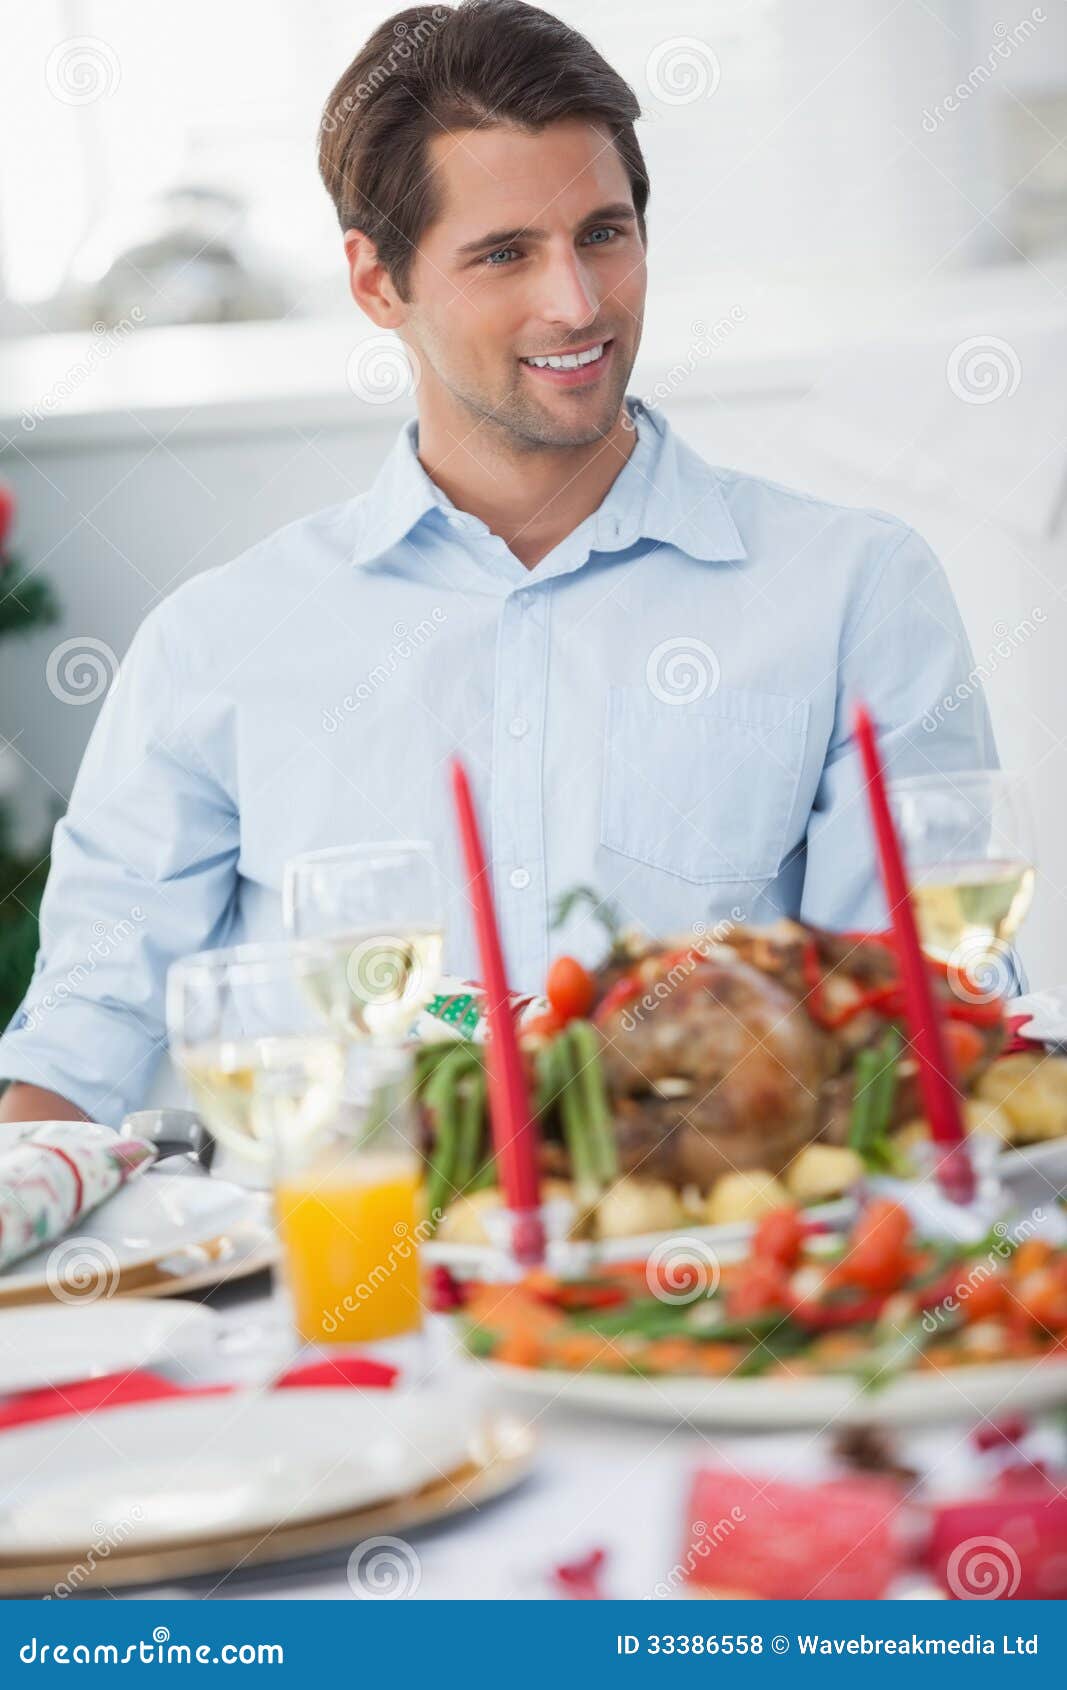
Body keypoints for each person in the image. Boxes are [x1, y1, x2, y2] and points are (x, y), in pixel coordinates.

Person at [0, 0, 996, 1129]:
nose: (576, 303)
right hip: (339, 1231)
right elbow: (81, 1045)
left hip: (719, 1216)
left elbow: (922, 1012)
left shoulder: (851, 591)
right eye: (504, 254)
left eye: (603, 234)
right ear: (377, 282)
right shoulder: (217, 643)